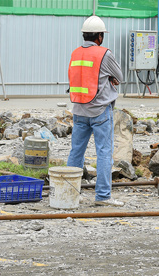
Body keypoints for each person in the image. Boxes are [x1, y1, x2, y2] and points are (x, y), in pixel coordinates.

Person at [67, 15, 124, 207]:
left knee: (76, 152)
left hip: (79, 109)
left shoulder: (75, 53)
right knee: (104, 153)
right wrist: (109, 78)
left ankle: (71, 193)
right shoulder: (104, 53)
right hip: (100, 110)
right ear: (99, 36)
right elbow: (119, 76)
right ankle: (102, 196)